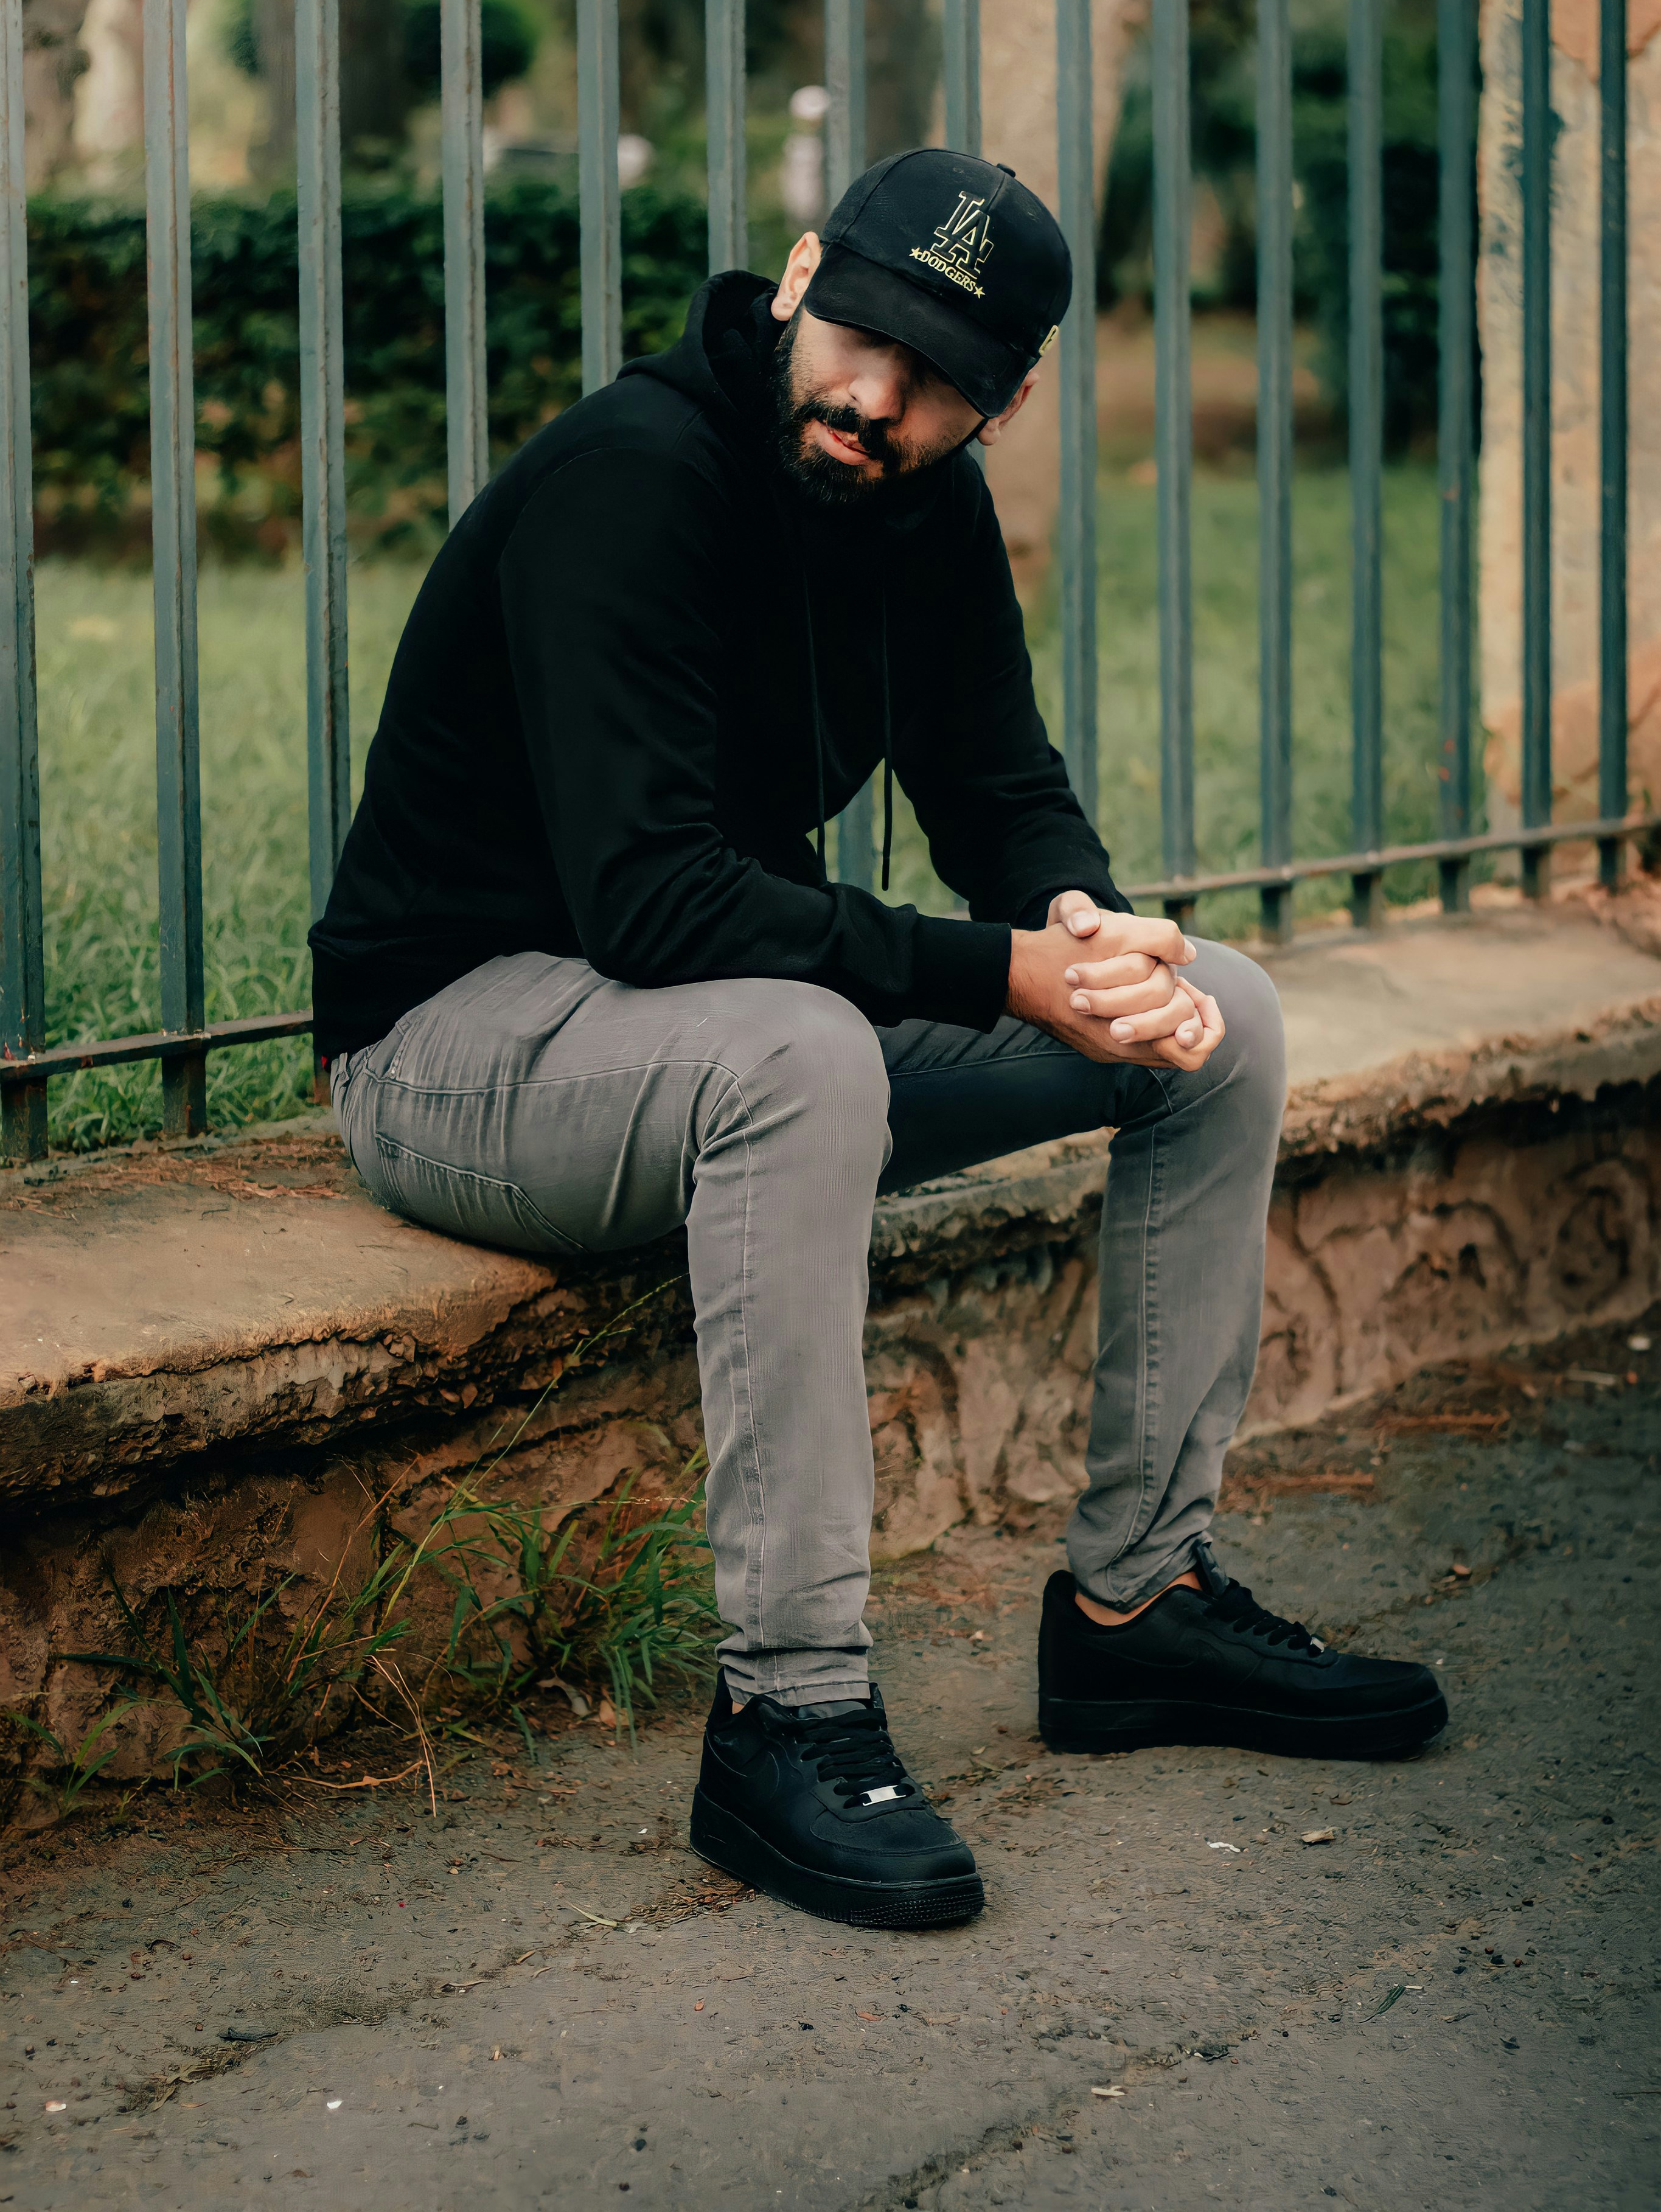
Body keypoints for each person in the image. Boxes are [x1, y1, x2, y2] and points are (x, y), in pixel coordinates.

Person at [312, 148, 1447, 1933]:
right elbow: (653, 906)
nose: (874, 399)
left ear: (1010, 396)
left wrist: (1087, 931)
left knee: (1219, 1019)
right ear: (791, 280)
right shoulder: (635, 481)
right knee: (803, 1055)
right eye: (859, 339)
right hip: (457, 1051)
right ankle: (790, 1710)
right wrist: (1001, 973)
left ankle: (1135, 1611)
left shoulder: (915, 511)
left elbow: (1000, 789)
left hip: (698, 1041)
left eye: (936, 378)